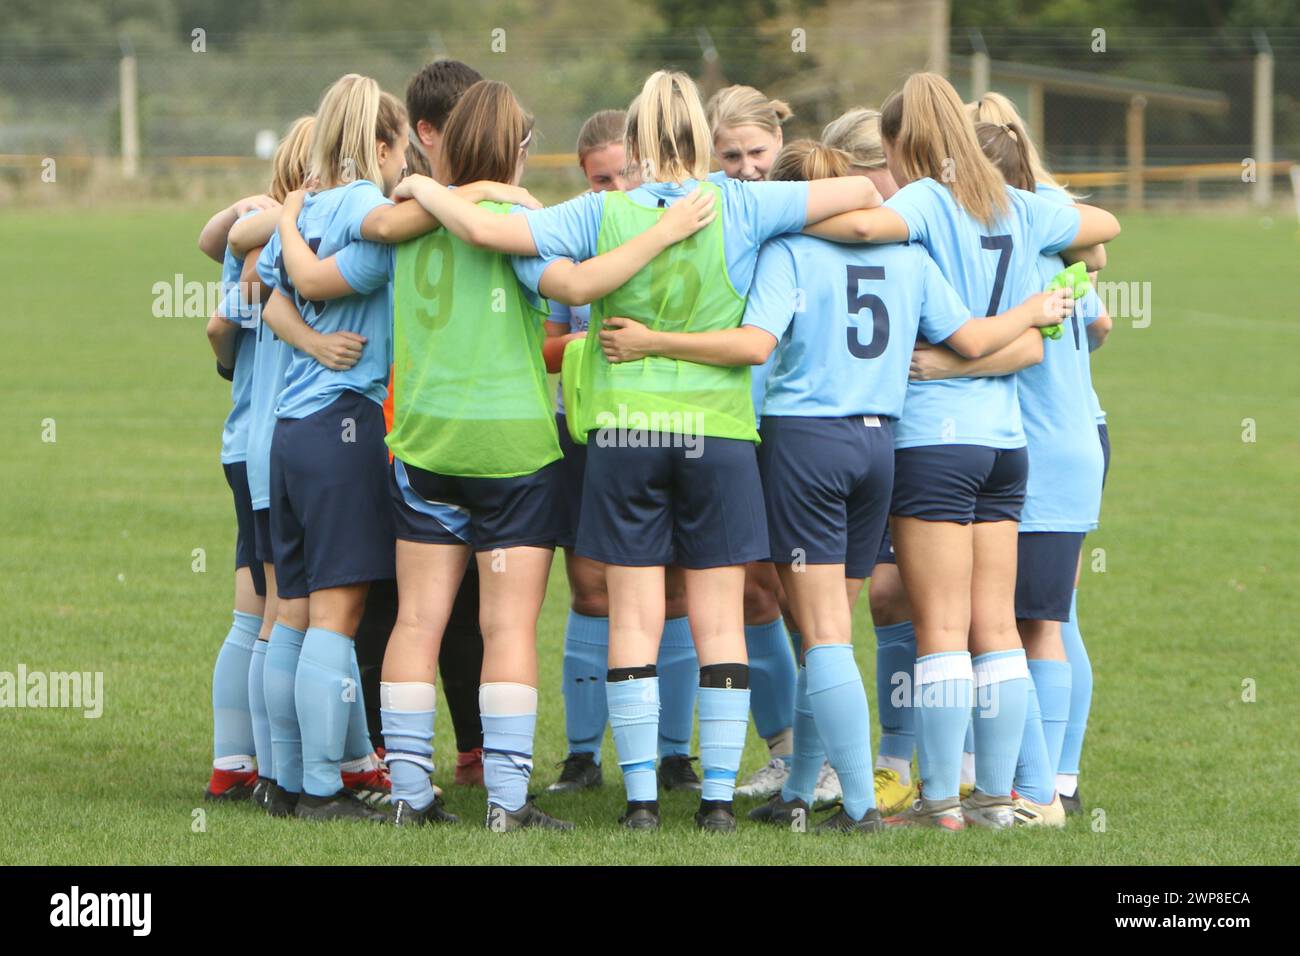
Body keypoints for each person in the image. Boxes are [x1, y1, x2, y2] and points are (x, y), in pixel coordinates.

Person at [395, 69, 882, 831]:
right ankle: (717, 801)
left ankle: (642, 803)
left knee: (633, 616)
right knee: (720, 616)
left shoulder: (600, 211)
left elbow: (487, 231)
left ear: (641, 139)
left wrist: (423, 189)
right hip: (717, 433)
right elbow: (860, 197)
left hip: (624, 433)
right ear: (698, 132)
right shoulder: (745, 202)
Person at [281, 79, 717, 829]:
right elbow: (579, 282)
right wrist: (664, 233)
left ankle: (410, 795)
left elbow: (315, 278)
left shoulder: (401, 230)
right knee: (506, 628)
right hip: (512, 451)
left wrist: (286, 215)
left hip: (423, 444)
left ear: (436, 142)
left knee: (416, 621)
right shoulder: (522, 223)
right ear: (517, 151)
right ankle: (508, 803)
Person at [600, 139, 1072, 832]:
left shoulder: (787, 252)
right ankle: (804, 787)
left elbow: (756, 347)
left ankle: (857, 807)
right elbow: (971, 337)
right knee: (834, 632)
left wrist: (655, 344)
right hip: (880, 445)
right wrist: (1034, 312)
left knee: (821, 636)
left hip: (806, 444)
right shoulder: (908, 256)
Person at [806, 71, 1119, 829]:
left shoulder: (921, 199)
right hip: (1006, 443)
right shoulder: (1016, 204)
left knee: (941, 628)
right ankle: (1001, 798)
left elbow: (860, 230)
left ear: (901, 143)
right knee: (997, 626)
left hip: (934, 437)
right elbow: (1102, 225)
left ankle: (942, 801)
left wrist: (776, 214)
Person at [543, 109, 703, 796]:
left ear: (644, 168)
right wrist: (582, 345)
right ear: (584, 180)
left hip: (676, 422)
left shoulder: (679, 223)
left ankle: (674, 754)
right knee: (591, 587)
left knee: (673, 591)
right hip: (589, 428)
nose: (613, 189)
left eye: (623, 175)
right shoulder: (578, 232)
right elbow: (544, 344)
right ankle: (582, 755)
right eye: (598, 179)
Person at [969, 92, 1113, 815]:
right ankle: (1033, 778)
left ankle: (1047, 784)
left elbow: (1024, 344)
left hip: (1047, 449)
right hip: (1050, 441)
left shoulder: (1028, 252)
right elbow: (1097, 324)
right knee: (1028, 619)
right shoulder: (1052, 251)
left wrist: (943, 363)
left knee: (1039, 622)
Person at [705, 84, 810, 803]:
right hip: (734, 418)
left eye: (758, 153)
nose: (747, 167)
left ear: (780, 146)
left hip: (804, 419)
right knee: (749, 589)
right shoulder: (710, 206)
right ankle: (786, 747)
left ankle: (835, 753)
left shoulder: (806, 206)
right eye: (731, 155)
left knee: (810, 592)